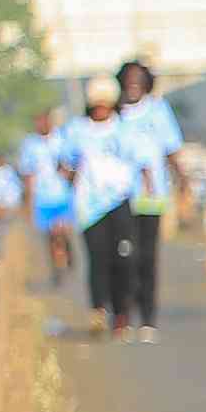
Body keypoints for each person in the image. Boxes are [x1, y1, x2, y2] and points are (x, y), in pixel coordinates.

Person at [61, 76, 141, 336]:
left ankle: (121, 312)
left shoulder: (124, 130)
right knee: (98, 260)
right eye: (97, 104)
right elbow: (65, 164)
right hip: (90, 207)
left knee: (123, 259)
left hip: (120, 202)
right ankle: (98, 311)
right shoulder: (78, 130)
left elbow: (138, 163)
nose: (101, 109)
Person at [110, 60, 179, 337]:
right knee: (123, 256)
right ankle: (121, 313)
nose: (133, 83)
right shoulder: (114, 113)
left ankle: (148, 316)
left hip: (151, 196)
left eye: (138, 79)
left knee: (147, 258)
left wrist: (183, 182)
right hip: (118, 197)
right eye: (129, 78)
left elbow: (171, 148)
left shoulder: (158, 110)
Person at [15, 108, 75, 287]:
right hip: (43, 198)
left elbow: (73, 166)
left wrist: (67, 172)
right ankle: (56, 268)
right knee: (50, 235)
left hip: (63, 195)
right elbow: (28, 175)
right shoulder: (30, 145)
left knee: (61, 232)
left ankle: (67, 254)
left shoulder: (62, 139)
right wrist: (28, 202)